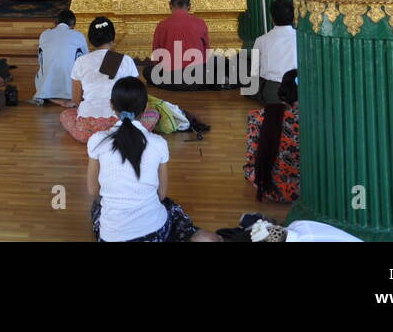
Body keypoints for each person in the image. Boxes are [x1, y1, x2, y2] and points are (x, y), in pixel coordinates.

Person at [86, 77, 219, 242]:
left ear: (112, 105)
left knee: (97, 208)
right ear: (146, 107)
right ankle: (193, 234)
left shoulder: (97, 140)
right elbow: (162, 195)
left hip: (112, 237)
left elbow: (93, 191)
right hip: (155, 234)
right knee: (170, 206)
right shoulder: (158, 143)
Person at [61, 16, 156, 142]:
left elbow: (76, 99)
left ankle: (94, 136)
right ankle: (127, 134)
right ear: (113, 38)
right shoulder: (126, 60)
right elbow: (137, 96)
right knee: (154, 113)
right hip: (122, 125)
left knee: (65, 115)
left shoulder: (80, 61)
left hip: (87, 129)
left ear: (90, 41)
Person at [244, 70, 299, 204]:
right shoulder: (319, 119)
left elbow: (252, 154)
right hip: (313, 191)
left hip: (272, 188)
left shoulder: (259, 116)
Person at [150, 0, 209, 88]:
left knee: (148, 71)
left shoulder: (161, 25)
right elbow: (206, 54)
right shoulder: (200, 23)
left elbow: (156, 58)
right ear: (189, 6)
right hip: (197, 80)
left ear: (170, 5)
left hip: (169, 80)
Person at [34, 9, 87, 106]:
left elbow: (40, 59)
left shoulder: (44, 35)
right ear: (73, 26)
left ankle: (51, 98)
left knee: (41, 72)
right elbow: (86, 60)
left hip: (48, 86)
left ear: (55, 23)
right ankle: (71, 99)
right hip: (72, 88)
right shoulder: (78, 35)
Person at [250, 0, 297, 104]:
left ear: (272, 18)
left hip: (271, 92)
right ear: (294, 18)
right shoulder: (301, 40)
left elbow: (254, 72)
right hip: (297, 90)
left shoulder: (261, 40)